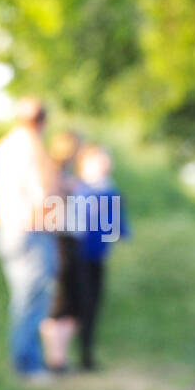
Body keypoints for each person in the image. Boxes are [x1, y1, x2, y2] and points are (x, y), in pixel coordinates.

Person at [0, 97, 56, 380]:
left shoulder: (2, 147)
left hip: (6, 229)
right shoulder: (33, 149)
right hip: (31, 230)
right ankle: (29, 366)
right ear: (43, 121)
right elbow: (42, 195)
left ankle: (25, 361)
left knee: (21, 297)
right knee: (32, 299)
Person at [67, 144, 129, 370]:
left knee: (92, 306)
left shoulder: (109, 190)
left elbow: (118, 227)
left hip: (97, 257)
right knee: (76, 306)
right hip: (76, 255)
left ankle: (86, 356)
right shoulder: (78, 188)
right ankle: (67, 356)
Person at [40, 131, 82, 372]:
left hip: (70, 239)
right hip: (57, 239)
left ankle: (60, 357)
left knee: (70, 301)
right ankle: (54, 358)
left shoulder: (67, 174)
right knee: (57, 301)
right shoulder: (51, 173)